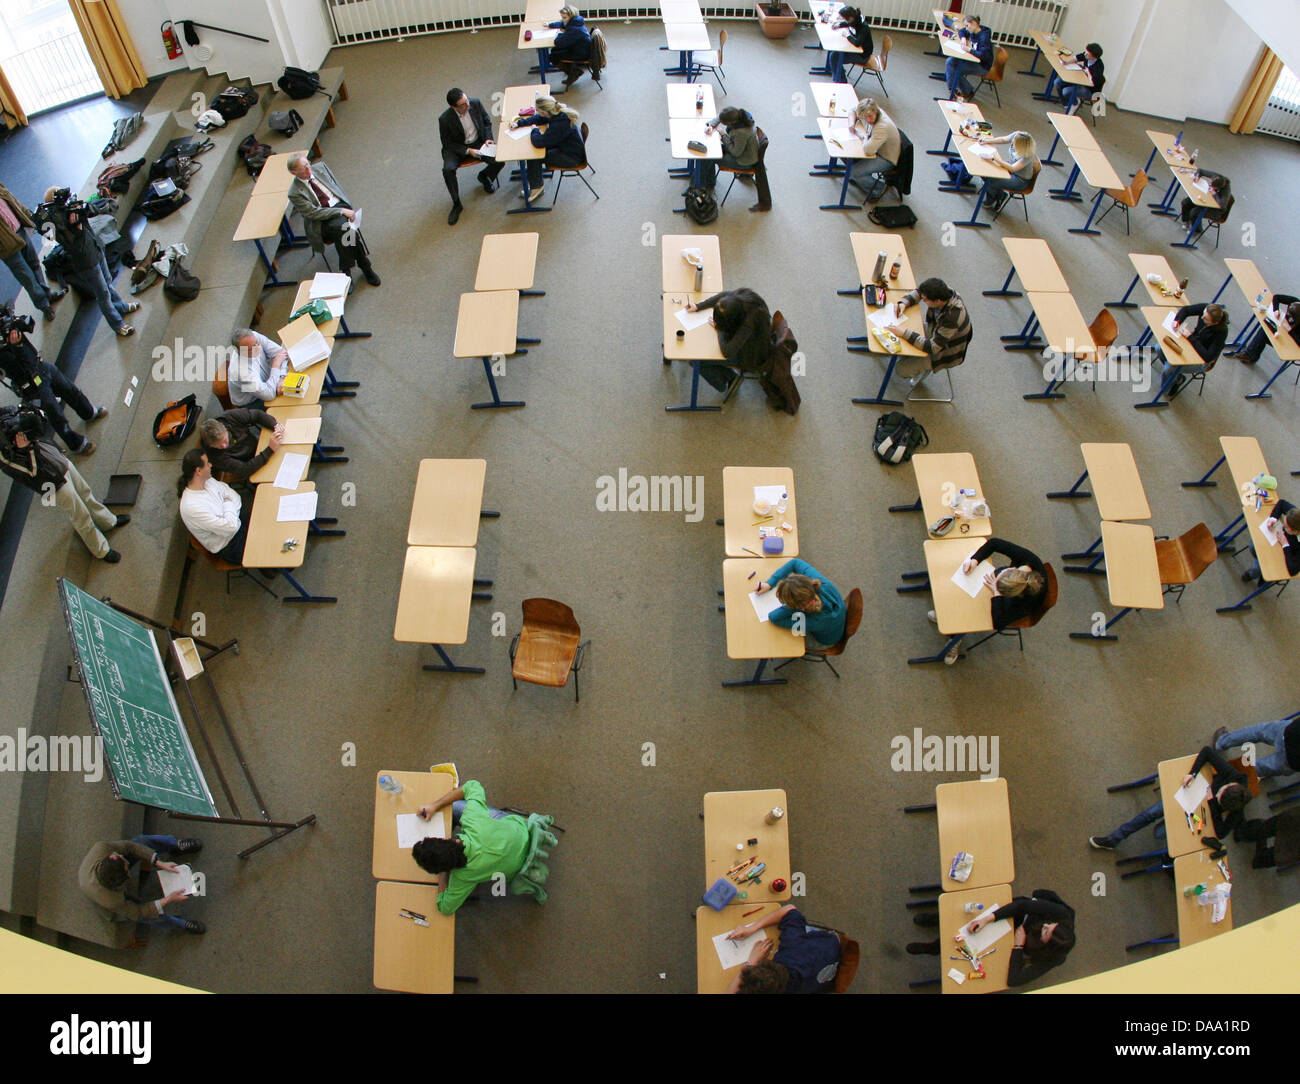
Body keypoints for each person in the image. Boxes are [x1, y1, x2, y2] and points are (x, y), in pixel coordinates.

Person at [411, 779, 558, 915]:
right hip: (522, 833)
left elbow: (445, 907)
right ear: (444, 839)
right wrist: (434, 806)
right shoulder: (473, 820)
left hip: (519, 867)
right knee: (456, 806)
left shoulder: (462, 877)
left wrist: (442, 875)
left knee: (466, 890)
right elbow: (472, 785)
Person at [0, 412, 128, 562]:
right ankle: (101, 550)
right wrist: (26, 449)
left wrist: (28, 417)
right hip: (51, 483)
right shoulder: (3, 453)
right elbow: (30, 473)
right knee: (80, 516)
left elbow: (32, 425)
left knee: (86, 494)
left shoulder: (5, 419)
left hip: (59, 461)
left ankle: (108, 521)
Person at [1090, 745, 1251, 850]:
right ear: (1230, 785)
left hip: (1197, 814)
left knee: (1159, 833)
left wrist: (1211, 801)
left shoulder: (1237, 810)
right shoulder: (1235, 777)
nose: (1217, 794)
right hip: (1190, 792)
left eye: (1219, 798)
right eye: (1220, 791)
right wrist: (1192, 774)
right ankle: (1114, 839)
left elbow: (1222, 833)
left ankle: (1170, 819)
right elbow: (1207, 751)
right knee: (1151, 813)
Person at [909, 890, 1075, 988]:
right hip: (1019, 914)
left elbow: (1014, 980)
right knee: (972, 917)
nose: (1045, 925)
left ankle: (934, 948)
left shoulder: (1054, 958)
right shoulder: (1062, 916)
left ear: (1047, 947)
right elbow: (1024, 906)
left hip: (1016, 939)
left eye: (1046, 933)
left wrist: (1018, 946)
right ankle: (934, 919)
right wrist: (987, 919)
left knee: (969, 940)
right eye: (1050, 925)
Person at [928, 538, 1046, 665]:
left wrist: (996, 593)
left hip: (1009, 606)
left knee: (976, 608)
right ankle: (949, 615)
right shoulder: (1027, 559)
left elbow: (998, 622)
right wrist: (975, 560)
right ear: (1012, 570)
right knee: (967, 590)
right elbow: (995, 543)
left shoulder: (1026, 603)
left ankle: (955, 635)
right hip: (1004, 588)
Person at [39, 187, 138, 337]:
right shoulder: (58, 226)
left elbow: (92, 210)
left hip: (97, 249)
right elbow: (74, 247)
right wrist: (77, 229)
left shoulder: (71, 211)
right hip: (86, 262)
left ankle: (121, 307)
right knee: (103, 294)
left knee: (108, 282)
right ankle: (118, 325)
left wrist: (81, 209)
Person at [0, 318, 106, 454]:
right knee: (56, 415)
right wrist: (16, 346)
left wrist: (16, 325)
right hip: (32, 383)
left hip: (43, 366)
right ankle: (77, 445)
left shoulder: (5, 324)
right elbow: (19, 366)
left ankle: (89, 412)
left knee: (71, 390)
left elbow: (29, 325)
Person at [78, 835, 205, 934]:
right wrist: (167, 900)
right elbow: (139, 912)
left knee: (141, 841)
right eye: (127, 867)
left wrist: (157, 862)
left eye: (119, 857)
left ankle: (174, 845)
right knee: (148, 916)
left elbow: (129, 847)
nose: (121, 855)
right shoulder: (113, 900)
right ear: (124, 881)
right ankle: (181, 924)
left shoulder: (102, 849)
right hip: (112, 903)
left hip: (111, 880)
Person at [286, 155, 380, 286]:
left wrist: (343, 208)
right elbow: (313, 213)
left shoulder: (320, 168)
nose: (309, 169)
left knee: (342, 228)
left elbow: (337, 188)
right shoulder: (294, 192)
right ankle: (364, 265)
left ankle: (346, 273)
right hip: (321, 219)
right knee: (345, 228)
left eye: (308, 164)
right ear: (293, 173)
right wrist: (341, 212)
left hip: (339, 205)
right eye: (303, 169)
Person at [725, 905, 844, 993]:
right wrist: (752, 928)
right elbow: (790, 910)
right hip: (831, 948)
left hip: (825, 972)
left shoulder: (792, 952)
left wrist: (749, 963)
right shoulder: (792, 950)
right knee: (797, 928)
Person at [886, 277, 973, 384]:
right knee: (904, 336)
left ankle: (925, 369)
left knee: (900, 369)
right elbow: (919, 292)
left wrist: (904, 333)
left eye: (925, 299)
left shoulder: (952, 318)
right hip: (936, 331)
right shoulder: (945, 292)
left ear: (938, 301)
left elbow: (933, 348)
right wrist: (905, 302)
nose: (923, 300)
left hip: (944, 351)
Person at [438, 88, 505, 226]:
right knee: (448, 170)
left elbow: (486, 122)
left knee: (500, 158)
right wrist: (468, 151)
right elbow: (448, 144)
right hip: (458, 148)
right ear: (453, 107)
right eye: (463, 104)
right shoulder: (444, 119)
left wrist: (488, 138)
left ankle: (485, 177)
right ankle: (457, 204)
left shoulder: (475, 103)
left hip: (479, 142)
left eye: (467, 100)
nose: (467, 105)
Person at [0, 180, 65, 320]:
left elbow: (14, 203)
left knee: (34, 264)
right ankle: (44, 305)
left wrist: (29, 216)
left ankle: (47, 294)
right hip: (6, 246)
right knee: (26, 276)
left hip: (19, 231)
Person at [685, 288, 772, 391]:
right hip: (746, 341)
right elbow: (723, 297)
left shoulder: (748, 325)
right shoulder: (740, 298)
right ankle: (728, 375)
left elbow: (727, 352)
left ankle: (727, 381)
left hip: (749, 355)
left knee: (696, 361)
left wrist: (718, 328)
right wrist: (698, 306)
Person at [756, 558, 847, 649]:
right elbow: (795, 562)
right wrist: (769, 584)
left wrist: (791, 607)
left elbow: (774, 617)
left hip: (826, 639)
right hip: (834, 620)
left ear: (799, 608)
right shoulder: (822, 584)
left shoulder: (817, 621)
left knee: (793, 644)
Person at [178, 449, 249, 563]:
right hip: (230, 543)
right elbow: (230, 528)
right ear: (198, 471)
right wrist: (227, 503)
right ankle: (271, 569)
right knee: (269, 546)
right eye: (207, 463)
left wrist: (227, 515)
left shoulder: (207, 480)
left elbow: (235, 496)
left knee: (271, 521)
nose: (211, 465)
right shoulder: (192, 507)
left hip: (239, 521)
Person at [510, 97, 586, 203]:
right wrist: (520, 123)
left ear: (546, 111)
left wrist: (534, 130)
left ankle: (537, 187)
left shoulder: (560, 123)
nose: (538, 112)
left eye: (539, 111)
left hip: (570, 157)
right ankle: (536, 181)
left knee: (534, 156)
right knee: (535, 154)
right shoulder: (557, 112)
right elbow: (539, 118)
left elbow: (538, 142)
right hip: (566, 147)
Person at [699, 107, 770, 213]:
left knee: (710, 155)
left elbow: (735, 152)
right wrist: (710, 125)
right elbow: (720, 117)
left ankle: (702, 185)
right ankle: (708, 181)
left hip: (743, 161)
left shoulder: (741, 133)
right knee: (710, 152)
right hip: (741, 150)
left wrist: (723, 135)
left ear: (731, 122)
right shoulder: (740, 115)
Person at [199, 409, 283, 486]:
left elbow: (257, 415)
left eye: (224, 440)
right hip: (251, 464)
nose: (224, 446)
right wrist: (270, 450)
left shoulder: (229, 418)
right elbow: (244, 470)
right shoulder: (213, 455)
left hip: (258, 445)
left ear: (225, 428)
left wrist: (275, 426)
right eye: (219, 446)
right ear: (210, 445)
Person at [1160, 302, 1228, 392]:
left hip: (1201, 360)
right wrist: (1177, 321)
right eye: (1203, 314)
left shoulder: (1222, 332)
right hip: (1191, 344)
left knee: (1169, 367)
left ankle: (1173, 382)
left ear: (1215, 323)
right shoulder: (1206, 309)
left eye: (1206, 319)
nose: (1202, 317)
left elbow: (1208, 357)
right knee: (1159, 348)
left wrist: (1190, 337)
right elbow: (1186, 310)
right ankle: (1175, 375)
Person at [1214, 715, 1300, 781]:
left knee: (1259, 732)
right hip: (1293, 761)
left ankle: (1221, 742)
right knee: (1260, 767)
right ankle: (1224, 776)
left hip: (1292, 732)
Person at [848, 99, 899, 202]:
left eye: (870, 116)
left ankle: (879, 189)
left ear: (875, 112)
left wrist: (864, 137)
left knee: (853, 172)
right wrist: (851, 124)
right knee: (850, 157)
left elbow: (868, 150)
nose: (868, 120)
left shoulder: (882, 127)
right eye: (865, 117)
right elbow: (852, 110)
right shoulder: (873, 109)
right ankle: (862, 179)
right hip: (878, 147)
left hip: (886, 158)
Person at [976, 130, 1038, 214]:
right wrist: (987, 140)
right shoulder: (1018, 135)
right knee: (985, 170)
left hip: (1020, 179)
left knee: (990, 180)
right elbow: (1004, 139)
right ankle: (997, 193)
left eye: (1015, 144)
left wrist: (994, 158)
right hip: (1011, 167)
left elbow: (1013, 168)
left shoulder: (1028, 155)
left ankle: (995, 197)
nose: (1012, 144)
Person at [1239, 499, 1300, 583]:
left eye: (1286, 527)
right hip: (1278, 541)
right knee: (1252, 546)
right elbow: (1281, 503)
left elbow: (1293, 570)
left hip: (1288, 554)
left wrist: (1285, 544)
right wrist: (1273, 519)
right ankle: (1262, 567)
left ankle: (1254, 574)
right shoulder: (1295, 515)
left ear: (1295, 531)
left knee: (1258, 568)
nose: (1284, 527)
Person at [1226, 296, 1299, 365]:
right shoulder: (1295, 303)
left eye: (1291, 316)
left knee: (1265, 333)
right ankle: (1250, 355)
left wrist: (1290, 330)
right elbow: (1277, 297)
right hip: (1283, 330)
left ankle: (1250, 355)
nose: (1288, 315)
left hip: (1292, 343)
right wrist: (1276, 310)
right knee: (1265, 330)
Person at [228, 327, 288, 407]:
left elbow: (282, 354)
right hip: (253, 402)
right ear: (239, 351)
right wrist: (276, 365)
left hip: (270, 382)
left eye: (257, 343)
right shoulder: (240, 371)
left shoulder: (253, 337)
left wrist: (282, 377)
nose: (257, 348)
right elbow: (269, 395)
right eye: (251, 349)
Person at [1043, 43, 1104, 114]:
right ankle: (1066, 103)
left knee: (1066, 91)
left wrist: (1088, 72)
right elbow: (1077, 57)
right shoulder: (1086, 56)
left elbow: (1093, 82)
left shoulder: (1099, 67)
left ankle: (1075, 103)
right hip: (1080, 81)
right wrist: (1067, 62)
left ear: (1094, 57)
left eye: (1088, 53)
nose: (1085, 54)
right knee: (1057, 82)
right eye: (1086, 51)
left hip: (1090, 90)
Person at [945, 14, 993, 102]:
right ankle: (952, 89)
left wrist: (968, 49)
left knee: (955, 69)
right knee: (950, 61)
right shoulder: (974, 29)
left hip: (982, 65)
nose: (966, 28)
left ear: (974, 23)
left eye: (967, 26)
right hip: (973, 58)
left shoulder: (984, 37)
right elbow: (962, 31)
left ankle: (966, 91)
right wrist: (963, 38)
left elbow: (983, 55)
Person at [547, 5, 593, 88]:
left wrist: (559, 35)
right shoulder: (576, 21)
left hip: (581, 54)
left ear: (571, 17)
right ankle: (572, 69)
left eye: (564, 17)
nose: (562, 19)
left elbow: (558, 43)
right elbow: (563, 24)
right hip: (580, 48)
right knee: (554, 50)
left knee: (553, 56)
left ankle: (575, 72)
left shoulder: (574, 29)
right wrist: (550, 25)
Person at [830, 6, 872, 83]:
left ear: (851, 18)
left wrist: (847, 35)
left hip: (863, 55)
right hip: (858, 51)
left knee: (834, 57)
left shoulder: (863, 27)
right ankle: (838, 73)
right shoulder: (856, 20)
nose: (845, 20)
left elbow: (857, 43)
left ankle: (841, 81)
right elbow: (849, 24)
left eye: (846, 19)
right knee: (834, 54)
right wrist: (839, 25)